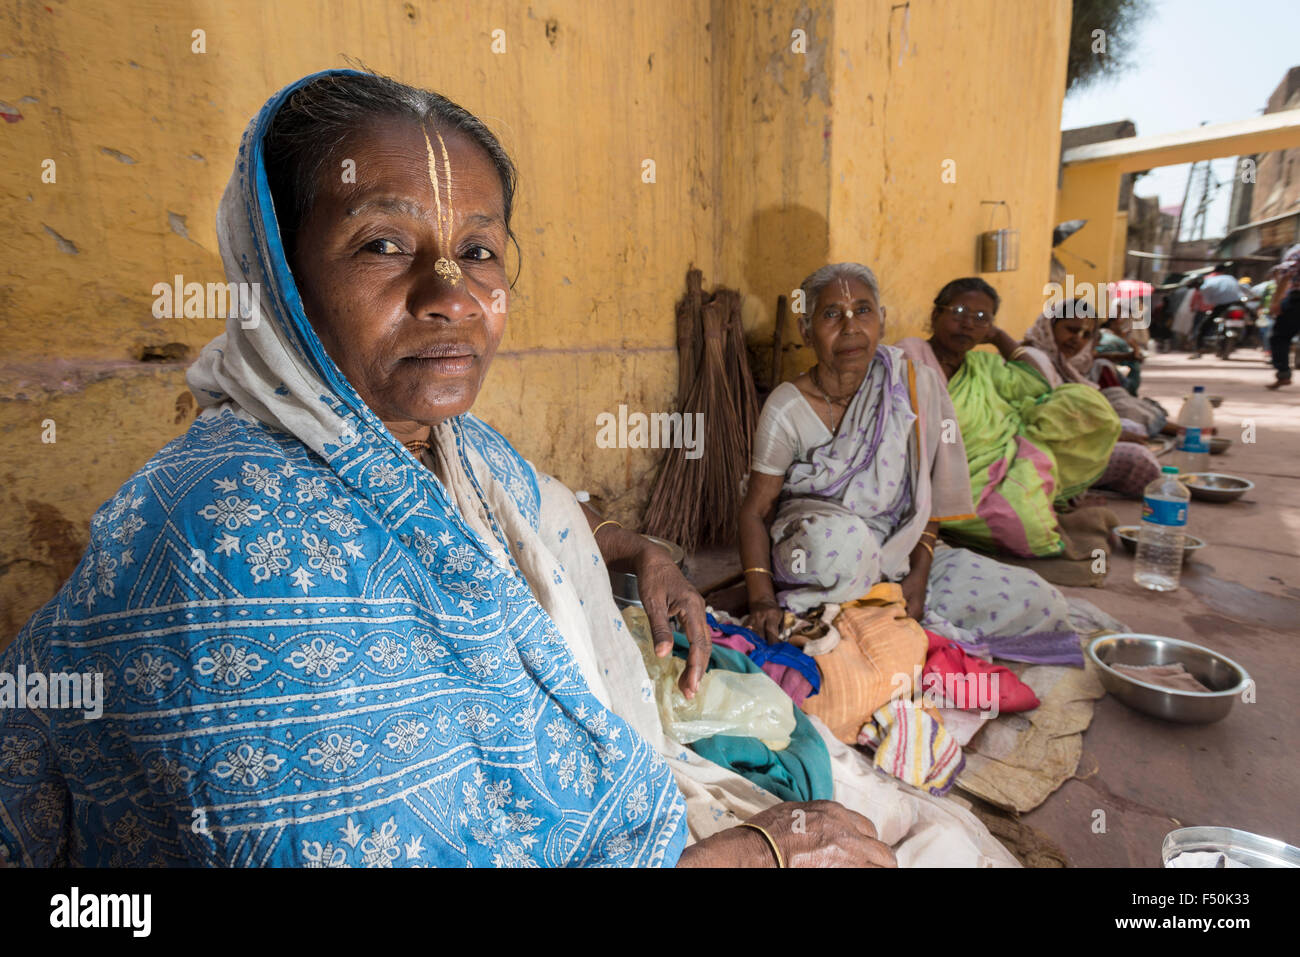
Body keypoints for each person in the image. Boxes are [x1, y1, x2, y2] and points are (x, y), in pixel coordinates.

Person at [0, 71, 1017, 868]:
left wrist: (646, 552)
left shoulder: (454, 447)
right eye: (383, 243)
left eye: (479, 251)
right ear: (279, 274)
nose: (449, 292)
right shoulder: (225, 540)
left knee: (932, 837)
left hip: (610, 811)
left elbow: (537, 525)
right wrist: (751, 852)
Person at [737, 264, 1085, 668]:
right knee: (841, 545)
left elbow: (928, 501)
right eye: (832, 314)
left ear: (882, 321)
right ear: (805, 330)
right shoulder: (787, 407)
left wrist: (918, 578)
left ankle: (869, 616)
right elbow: (755, 510)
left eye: (863, 310)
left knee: (1039, 600)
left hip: (898, 555)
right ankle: (861, 616)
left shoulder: (913, 384)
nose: (851, 327)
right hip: (823, 553)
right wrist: (761, 600)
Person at [895, 279, 1121, 558]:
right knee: (1023, 527)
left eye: (981, 318)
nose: (968, 324)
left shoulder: (983, 365)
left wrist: (1000, 338)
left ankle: (1018, 499)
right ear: (935, 315)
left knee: (1084, 403)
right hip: (939, 472)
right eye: (959, 312)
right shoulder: (911, 352)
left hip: (997, 460)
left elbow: (1036, 385)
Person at [1020, 300, 1164, 498]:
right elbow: (1046, 423)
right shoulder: (1034, 358)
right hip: (1045, 448)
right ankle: (1073, 485)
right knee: (1139, 459)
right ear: (1049, 326)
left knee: (1134, 428)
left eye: (1086, 335)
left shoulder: (1061, 360)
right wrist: (1107, 435)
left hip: (1065, 436)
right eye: (1071, 330)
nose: (1077, 339)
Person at [1189, 265, 1246, 358]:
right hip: (1238, 303)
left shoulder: (1207, 283)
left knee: (1203, 327)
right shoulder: (1230, 278)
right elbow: (1242, 290)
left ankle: (1198, 349)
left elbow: (1208, 302)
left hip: (1221, 306)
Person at [1266, 244, 1300, 389]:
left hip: (1297, 300)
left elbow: (1286, 276)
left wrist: (1276, 301)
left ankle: (1284, 374)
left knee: (1280, 337)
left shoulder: (1296, 252)